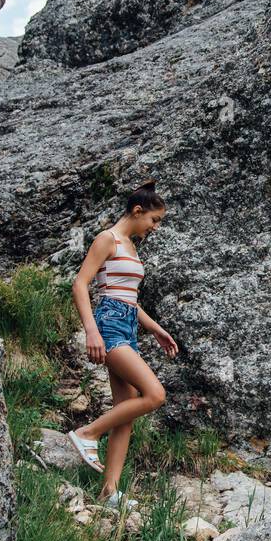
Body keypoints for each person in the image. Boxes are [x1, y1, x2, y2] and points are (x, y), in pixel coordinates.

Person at [64, 181, 179, 509]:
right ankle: (87, 434)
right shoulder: (107, 239)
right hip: (109, 323)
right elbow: (80, 284)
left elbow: (129, 298)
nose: (155, 228)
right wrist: (91, 331)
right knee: (155, 395)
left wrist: (156, 329)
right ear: (137, 211)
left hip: (126, 321)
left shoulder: (130, 245)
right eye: (154, 220)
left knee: (125, 412)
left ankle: (108, 492)